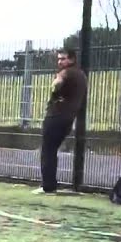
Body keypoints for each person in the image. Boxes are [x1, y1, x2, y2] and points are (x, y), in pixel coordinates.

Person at [37, 48, 87, 195]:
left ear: (72, 59)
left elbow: (57, 83)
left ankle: (48, 186)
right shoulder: (81, 74)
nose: (60, 62)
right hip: (68, 117)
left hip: (56, 116)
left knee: (47, 150)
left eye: (63, 59)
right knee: (51, 150)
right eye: (59, 59)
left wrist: (54, 91)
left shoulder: (67, 72)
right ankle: (50, 185)